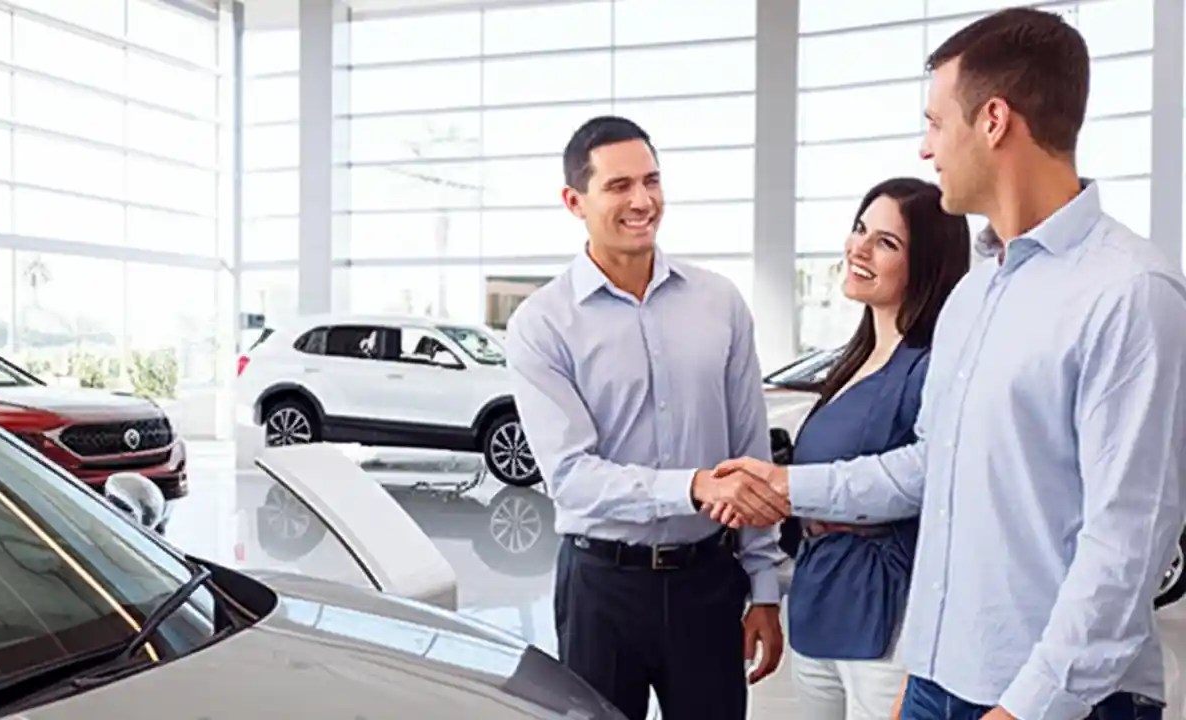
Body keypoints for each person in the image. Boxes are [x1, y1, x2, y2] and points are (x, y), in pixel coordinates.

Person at [711, 7, 1186, 720]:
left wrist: (1027, 707)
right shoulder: (974, 295)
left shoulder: (1129, 291)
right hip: (941, 681)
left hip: (1059, 699)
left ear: (993, 120)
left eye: (936, 123)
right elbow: (928, 471)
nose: (926, 148)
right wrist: (922, 669)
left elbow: (1128, 538)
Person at [503, 115, 786, 720]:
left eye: (651, 181)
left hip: (707, 583)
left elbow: (750, 452)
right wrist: (693, 486)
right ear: (574, 201)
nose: (642, 201)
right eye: (619, 186)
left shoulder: (719, 302)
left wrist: (764, 584)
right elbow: (570, 476)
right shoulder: (542, 324)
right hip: (600, 590)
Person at [780, 178, 969, 720]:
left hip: (886, 616)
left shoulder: (931, 366)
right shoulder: (853, 360)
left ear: (926, 263)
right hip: (821, 602)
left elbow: (926, 483)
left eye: (885, 242)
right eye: (860, 229)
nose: (858, 248)